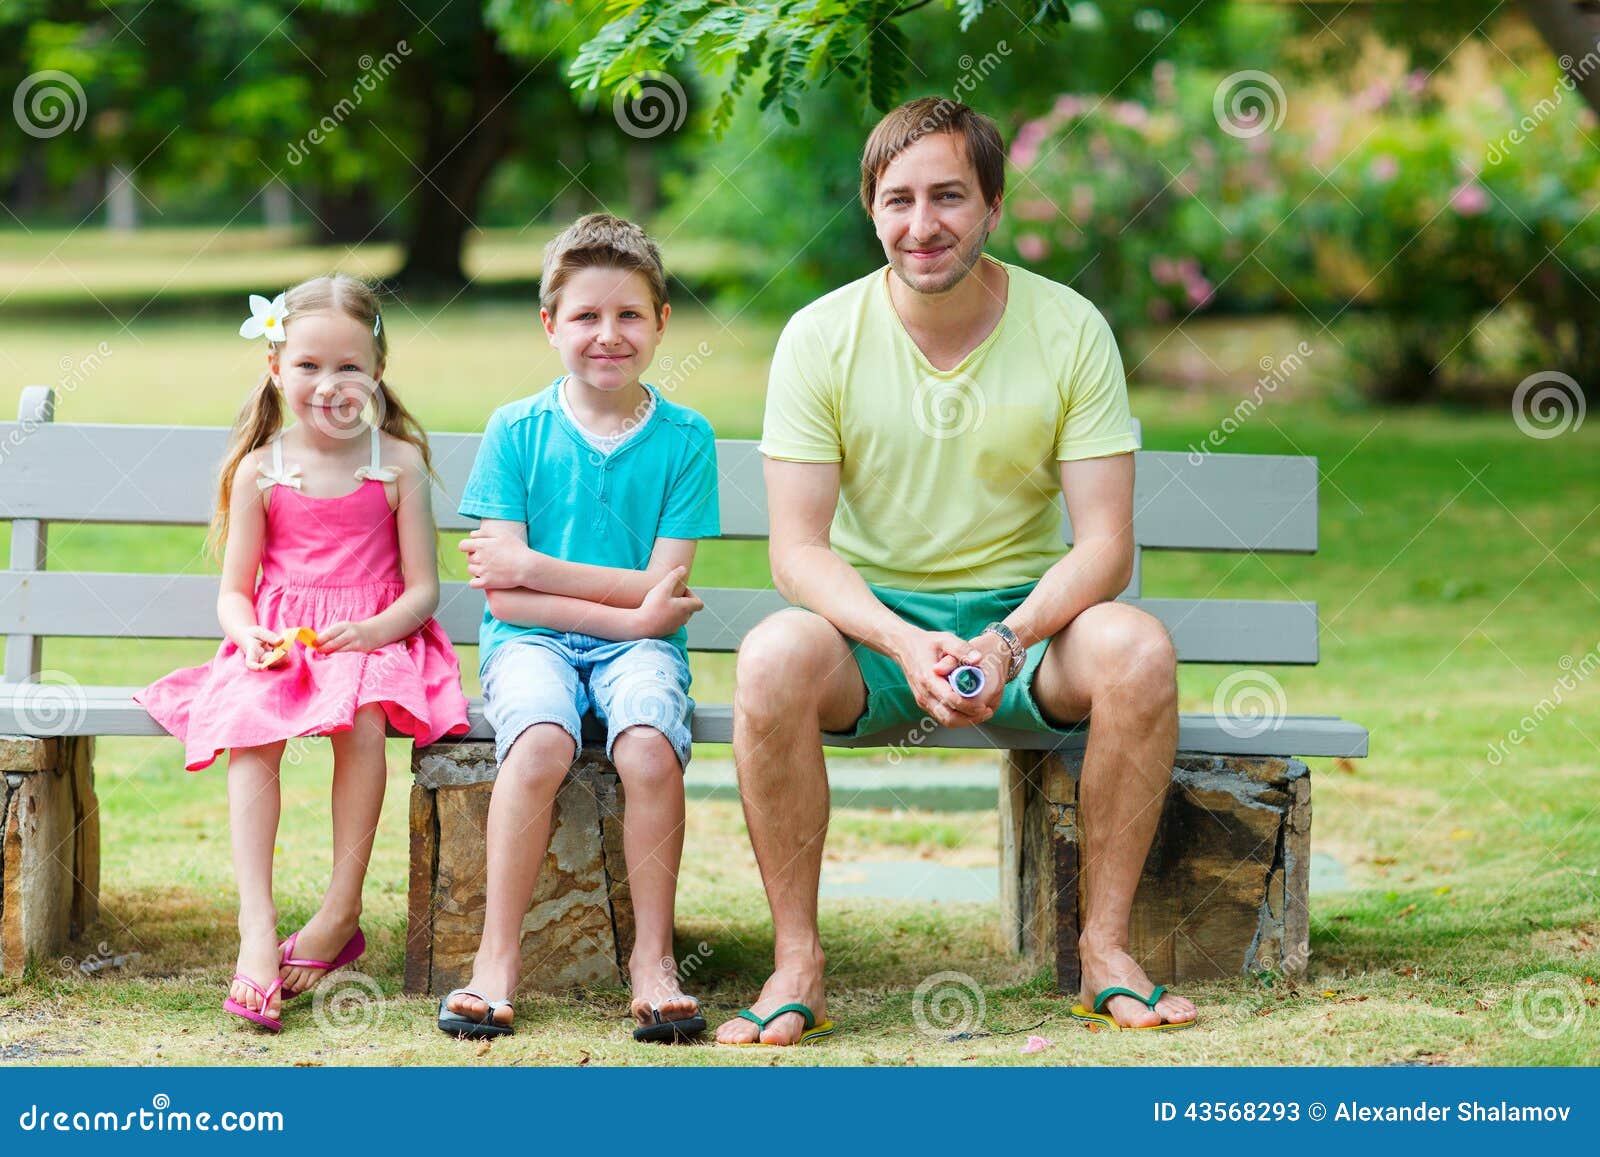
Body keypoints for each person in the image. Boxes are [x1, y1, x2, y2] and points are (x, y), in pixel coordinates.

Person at [715, 98, 1199, 1047]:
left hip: (1029, 634)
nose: (922, 224)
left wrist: (1009, 638)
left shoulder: (1070, 328)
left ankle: (1106, 950)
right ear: (871, 209)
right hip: (879, 638)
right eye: (898, 199)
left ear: (993, 206)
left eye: (948, 196)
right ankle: (797, 960)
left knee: (1138, 648)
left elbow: (1105, 545)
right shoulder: (819, 337)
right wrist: (902, 639)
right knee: (771, 657)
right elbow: (798, 551)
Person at [136, 275, 470, 1032]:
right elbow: (234, 592)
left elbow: (423, 591)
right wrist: (247, 631)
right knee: (251, 731)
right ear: (275, 369)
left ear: (378, 372)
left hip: (375, 634)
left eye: (349, 366)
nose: (329, 384)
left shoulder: (399, 463)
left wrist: (375, 631)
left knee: (361, 719)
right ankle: (258, 927)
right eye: (309, 366)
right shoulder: (260, 468)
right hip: (282, 637)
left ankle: (337, 913)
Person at [437, 214, 720, 1042]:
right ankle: (496, 959)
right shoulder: (516, 431)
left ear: (663, 323)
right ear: (550, 325)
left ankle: (654, 960)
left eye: (630, 315)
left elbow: (660, 590)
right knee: (539, 745)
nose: (608, 334)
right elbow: (511, 604)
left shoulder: (685, 439)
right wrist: (629, 602)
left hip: (642, 645)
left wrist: (539, 568)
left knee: (645, 746)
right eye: (586, 316)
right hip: (533, 641)